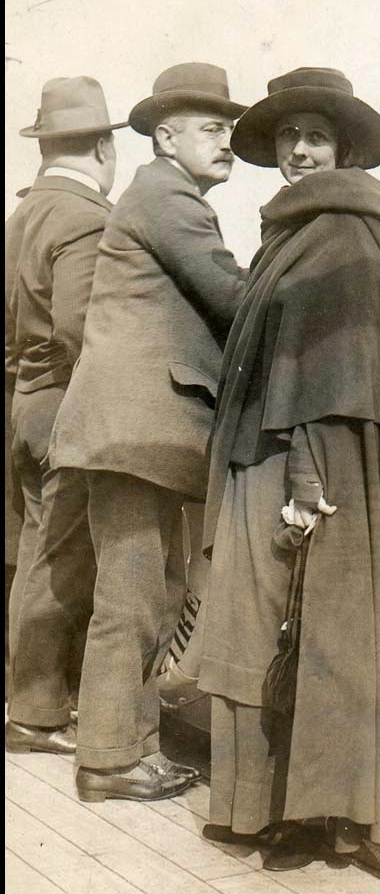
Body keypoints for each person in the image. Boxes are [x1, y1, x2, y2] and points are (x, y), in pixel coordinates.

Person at [197, 67, 380, 871]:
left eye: (315, 137)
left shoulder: (350, 228)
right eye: (289, 137)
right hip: (272, 444)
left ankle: (306, 812)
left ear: (345, 147)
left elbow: (340, 364)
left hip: (313, 451)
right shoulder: (291, 228)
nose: (299, 151)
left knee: (312, 629)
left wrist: (304, 475)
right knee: (251, 626)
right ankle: (253, 810)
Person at [47, 62, 248, 802]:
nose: (227, 141)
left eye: (229, 129)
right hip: (137, 432)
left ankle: (129, 749)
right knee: (132, 598)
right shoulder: (170, 198)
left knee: (150, 593)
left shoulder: (159, 194)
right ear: (165, 138)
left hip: (129, 430)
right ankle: (106, 760)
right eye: (211, 129)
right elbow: (232, 296)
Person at [5, 76, 125, 754]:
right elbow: (83, 330)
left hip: (26, 401)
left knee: (36, 554)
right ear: (104, 148)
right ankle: (38, 713)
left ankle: (33, 698)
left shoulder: (22, 217)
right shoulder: (86, 217)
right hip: (66, 410)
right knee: (63, 559)